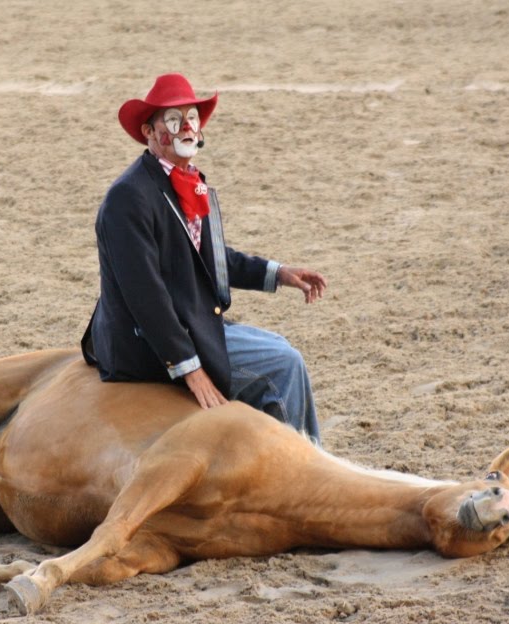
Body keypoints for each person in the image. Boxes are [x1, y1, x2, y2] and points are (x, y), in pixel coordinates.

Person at [81, 73, 328, 443]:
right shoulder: (128, 197)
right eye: (174, 120)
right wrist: (190, 370)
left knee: (279, 345)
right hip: (145, 340)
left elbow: (207, 258)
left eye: (192, 118)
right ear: (149, 132)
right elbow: (144, 295)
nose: (186, 128)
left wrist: (278, 274)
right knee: (284, 365)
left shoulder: (189, 183)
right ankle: (305, 477)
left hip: (188, 318)